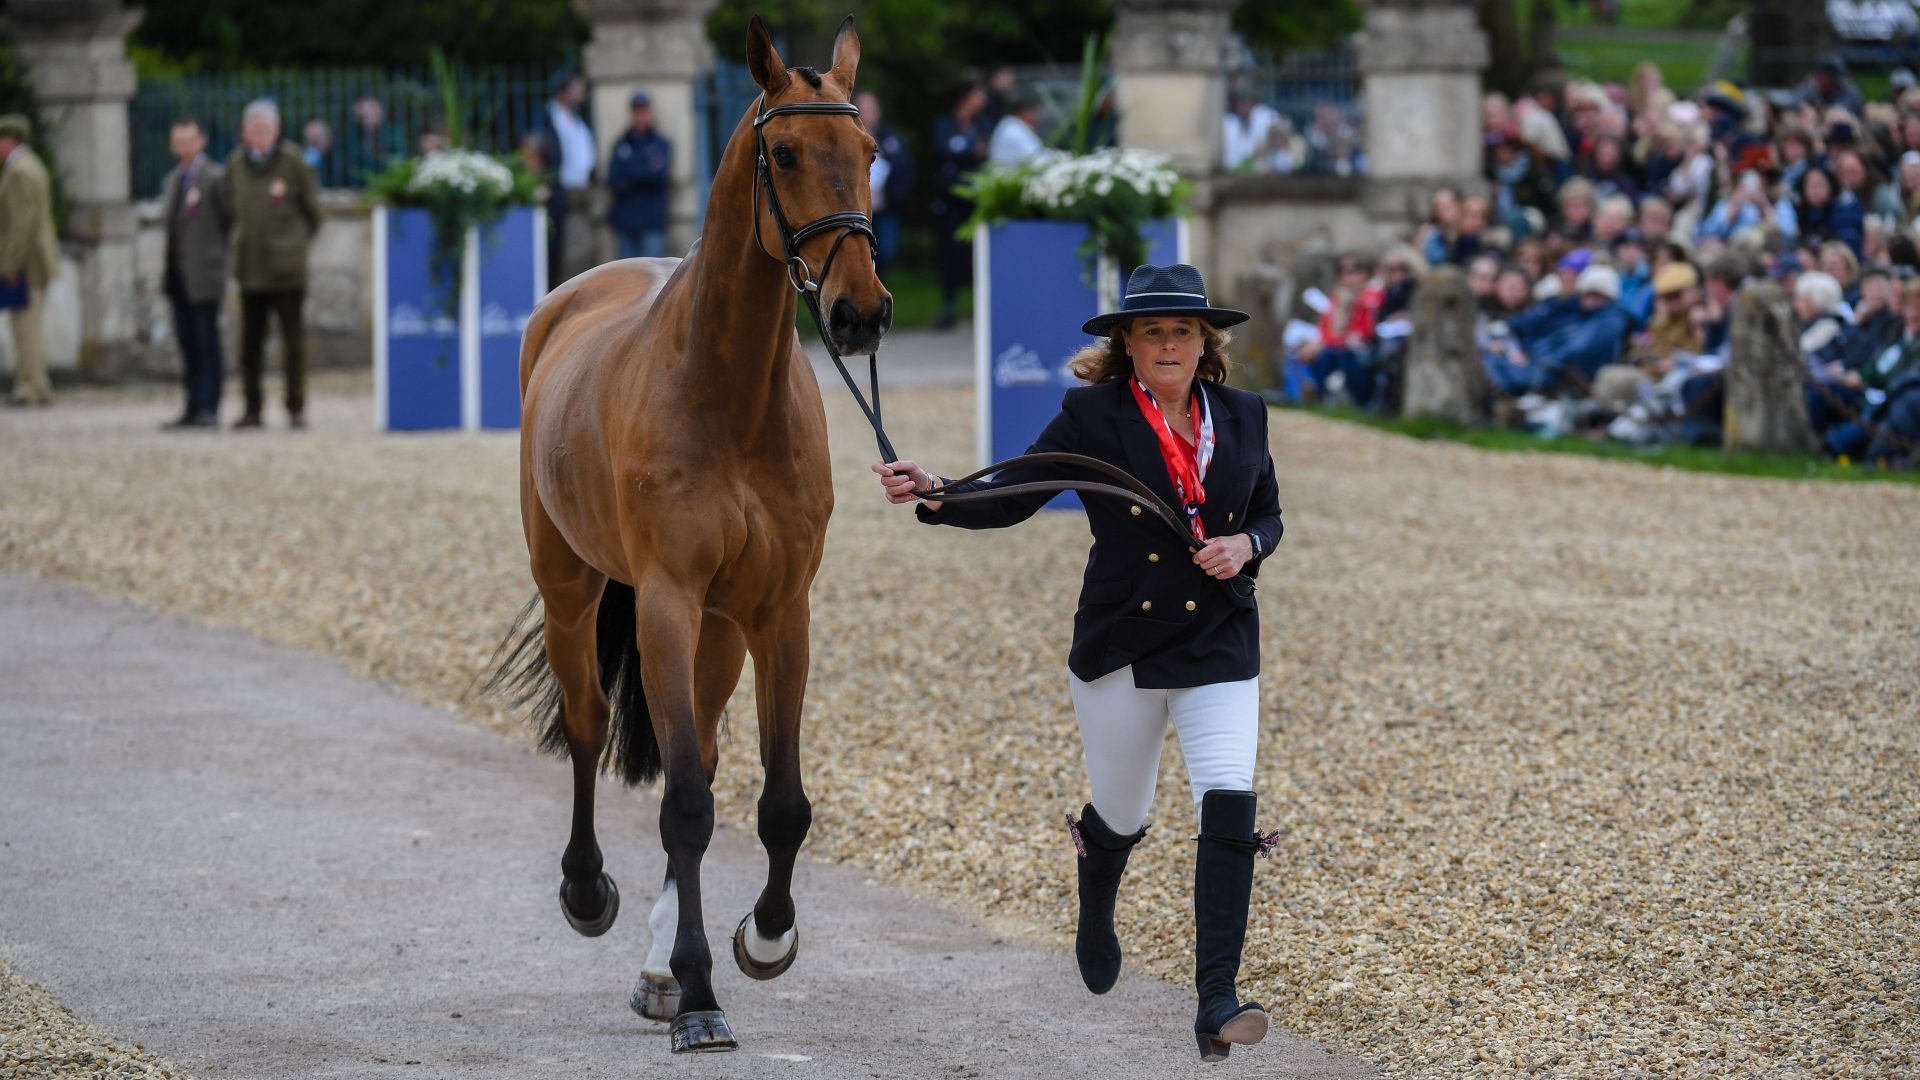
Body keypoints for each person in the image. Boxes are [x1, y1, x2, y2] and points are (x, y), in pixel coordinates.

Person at [872, 263, 1283, 1063]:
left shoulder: (1244, 413)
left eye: (1183, 331)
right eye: (1153, 331)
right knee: (1121, 813)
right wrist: (938, 493)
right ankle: (1098, 897)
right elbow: (1020, 491)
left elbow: (1267, 511)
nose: (1170, 343)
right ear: (1127, 344)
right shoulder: (1091, 413)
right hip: (1122, 644)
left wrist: (1248, 544)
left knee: (1229, 798)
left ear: (1206, 343)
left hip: (1222, 642)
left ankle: (1215, 999)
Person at [223, 97, 321, 430]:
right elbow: (228, 208)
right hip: (251, 268)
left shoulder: (293, 162)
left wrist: (294, 245)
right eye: (254, 129)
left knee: (293, 342)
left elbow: (314, 212)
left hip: (287, 270)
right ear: (245, 132)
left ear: (276, 130)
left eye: (265, 128)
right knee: (250, 344)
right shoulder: (236, 164)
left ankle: (295, 405)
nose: (260, 134)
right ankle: (252, 407)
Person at [160, 116, 230, 429]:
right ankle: (191, 405)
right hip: (177, 274)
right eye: (178, 143)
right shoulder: (172, 180)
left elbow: (229, 222)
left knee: (206, 342)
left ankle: (209, 406)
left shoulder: (215, 178)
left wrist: (219, 258)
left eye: (188, 141)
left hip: (205, 273)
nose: (182, 148)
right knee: (187, 342)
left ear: (200, 141)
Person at [0, 113, 57, 408]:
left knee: (26, 328)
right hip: (34, 258)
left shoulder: (19, 171)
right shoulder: (29, 165)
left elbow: (21, 223)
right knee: (29, 325)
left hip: (27, 261)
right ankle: (37, 383)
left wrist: (9, 263)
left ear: (10, 140)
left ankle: (29, 387)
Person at [931, 82, 990, 329]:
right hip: (950, 203)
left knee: (977, 256)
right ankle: (949, 308)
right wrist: (969, 150)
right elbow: (944, 151)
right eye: (978, 94)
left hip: (974, 202)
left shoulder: (983, 124)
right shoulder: (945, 124)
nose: (982, 99)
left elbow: (983, 152)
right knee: (951, 257)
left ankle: (982, 309)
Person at [532, 71, 596, 287]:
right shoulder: (544, 117)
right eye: (577, 88)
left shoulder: (578, 120)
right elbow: (533, 153)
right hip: (552, 191)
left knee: (570, 254)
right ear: (563, 91)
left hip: (576, 194)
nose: (582, 93)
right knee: (550, 250)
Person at [606, 91, 671, 261]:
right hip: (626, 222)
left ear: (650, 112)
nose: (640, 116)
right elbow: (613, 179)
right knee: (629, 279)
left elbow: (658, 177)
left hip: (651, 222)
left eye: (644, 111)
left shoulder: (660, 143)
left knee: (653, 275)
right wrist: (643, 170)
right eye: (637, 112)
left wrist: (630, 171)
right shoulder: (621, 143)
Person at [856, 91, 913, 274]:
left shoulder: (891, 139)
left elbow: (905, 169)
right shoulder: (847, 138)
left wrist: (895, 195)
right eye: (863, 110)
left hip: (885, 209)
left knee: (886, 251)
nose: (867, 115)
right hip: (857, 210)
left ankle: (875, 281)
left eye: (871, 110)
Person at [1222, 87, 1278, 172]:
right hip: (1231, 169)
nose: (1244, 108)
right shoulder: (1229, 122)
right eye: (1241, 104)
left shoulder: (1264, 118)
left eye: (1247, 104)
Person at [989, 92, 1046, 166]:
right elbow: (1037, 162)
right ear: (1025, 112)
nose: (1037, 116)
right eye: (1035, 112)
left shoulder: (1012, 125)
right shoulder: (1014, 132)